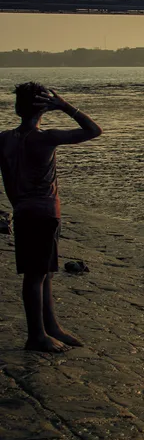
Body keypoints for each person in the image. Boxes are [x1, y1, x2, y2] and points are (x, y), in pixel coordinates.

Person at [0, 84, 101, 353]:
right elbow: (94, 130)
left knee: (45, 273)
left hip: (24, 210)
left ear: (17, 109)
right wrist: (66, 106)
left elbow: (8, 177)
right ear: (44, 108)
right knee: (35, 276)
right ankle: (36, 335)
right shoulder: (43, 138)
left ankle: (50, 327)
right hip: (42, 212)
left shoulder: (5, 138)